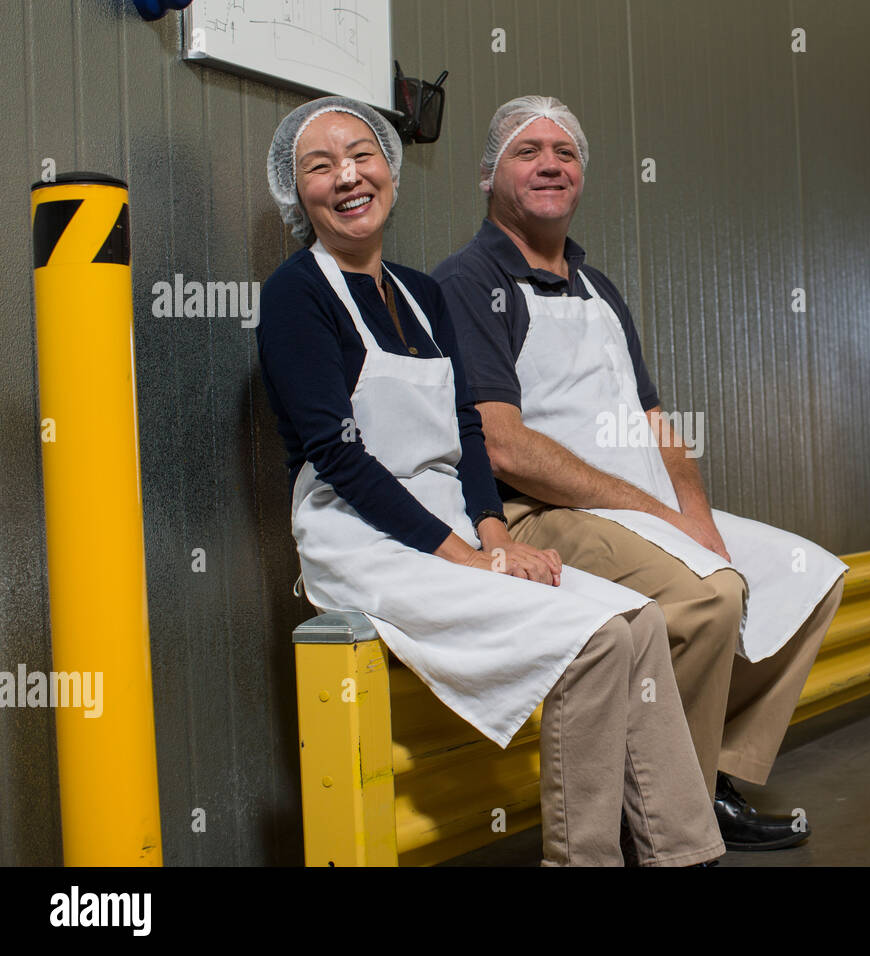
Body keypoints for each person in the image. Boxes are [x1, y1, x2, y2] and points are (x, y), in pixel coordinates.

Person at [257, 95, 722, 867]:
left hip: (456, 529)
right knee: (597, 637)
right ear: (297, 191)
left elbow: (468, 433)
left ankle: (684, 854)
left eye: (363, 156)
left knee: (638, 620)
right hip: (364, 540)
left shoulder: (421, 292)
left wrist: (496, 532)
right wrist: (462, 555)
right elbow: (338, 457)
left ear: (392, 173)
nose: (347, 176)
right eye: (321, 165)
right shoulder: (295, 293)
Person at [432, 95, 848, 852]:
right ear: (491, 173)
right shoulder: (468, 282)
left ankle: (705, 781)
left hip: (640, 510)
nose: (551, 163)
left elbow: (659, 423)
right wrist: (658, 519)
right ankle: (660, 818)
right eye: (529, 151)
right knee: (711, 598)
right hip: (540, 514)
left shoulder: (599, 289)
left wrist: (698, 516)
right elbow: (503, 447)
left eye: (566, 151)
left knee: (809, 575)